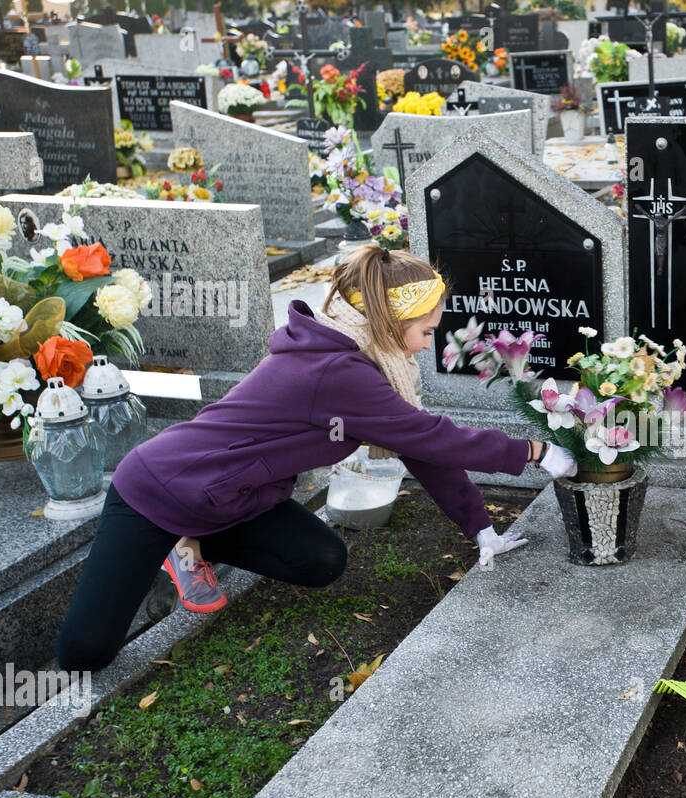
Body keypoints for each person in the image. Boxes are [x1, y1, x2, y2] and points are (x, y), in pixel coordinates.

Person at [57, 245, 577, 672]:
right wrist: (533, 451)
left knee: (319, 560)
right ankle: (168, 544)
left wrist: (479, 527)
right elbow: (433, 436)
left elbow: (419, 445)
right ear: (388, 322)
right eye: (422, 332)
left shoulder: (361, 356)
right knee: (85, 653)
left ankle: (192, 541)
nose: (424, 346)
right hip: (158, 489)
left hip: (231, 497)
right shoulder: (338, 371)